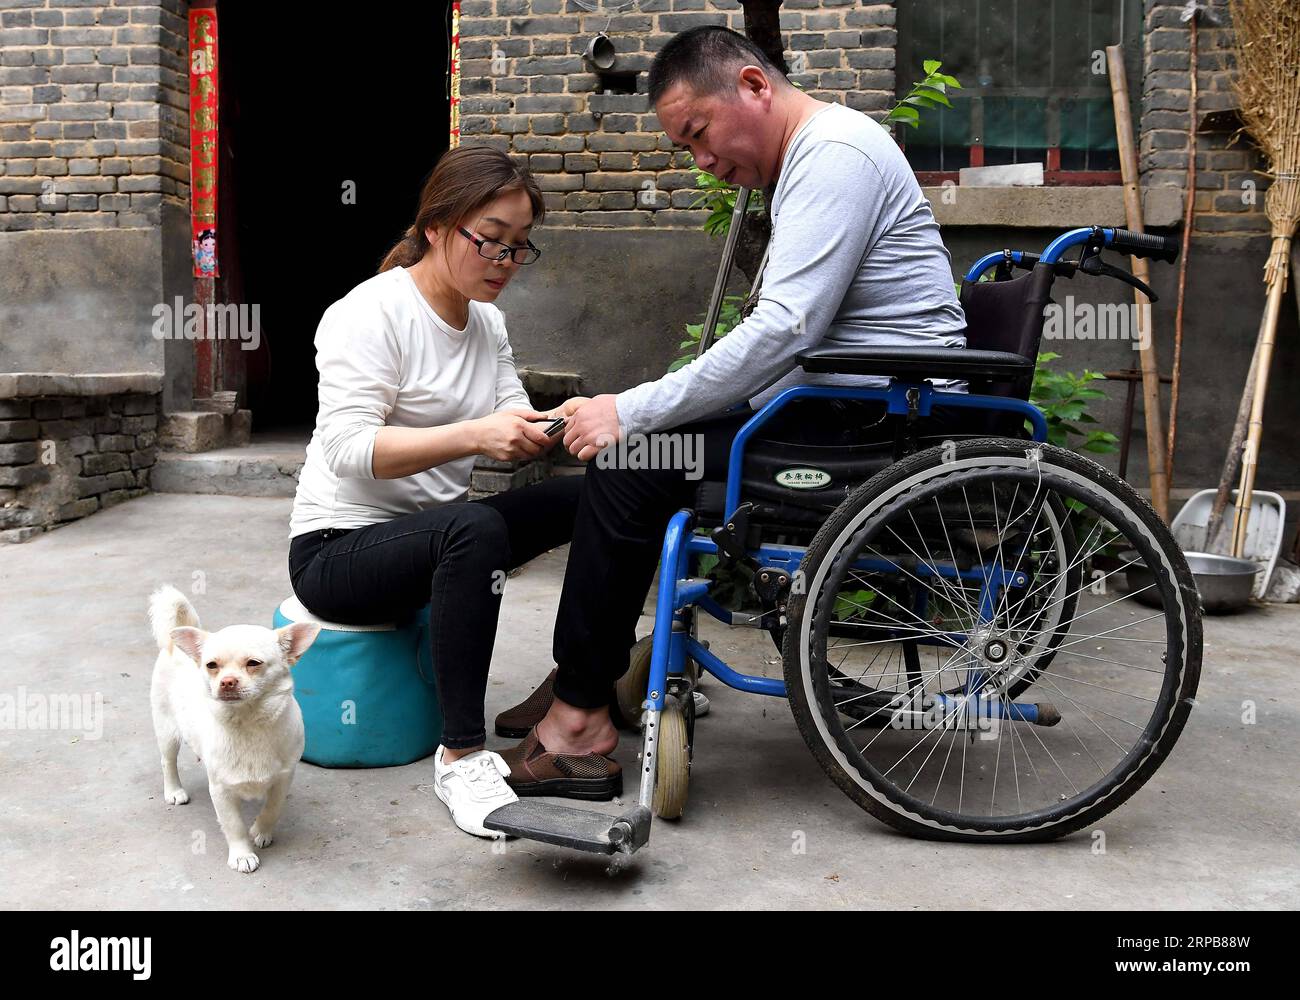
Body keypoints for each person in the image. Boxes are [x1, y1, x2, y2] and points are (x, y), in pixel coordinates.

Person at [496, 26, 968, 795]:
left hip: (880, 422)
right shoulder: (814, 159)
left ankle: (579, 715)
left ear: (753, 86)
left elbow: (787, 328)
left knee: (630, 462)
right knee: (630, 460)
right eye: (687, 150)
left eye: (698, 135)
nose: (704, 163)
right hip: (841, 407)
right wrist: (638, 408)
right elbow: (786, 337)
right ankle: (586, 676)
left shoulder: (835, 153)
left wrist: (635, 412)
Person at [286, 145, 588, 838]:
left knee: (602, 493)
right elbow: (348, 450)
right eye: (491, 241)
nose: (505, 262)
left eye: (519, 248)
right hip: (337, 555)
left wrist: (563, 421)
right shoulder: (369, 314)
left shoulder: (488, 323)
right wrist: (474, 436)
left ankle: (579, 686)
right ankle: (461, 757)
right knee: (470, 528)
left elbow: (511, 417)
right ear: (437, 225)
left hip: (435, 544)